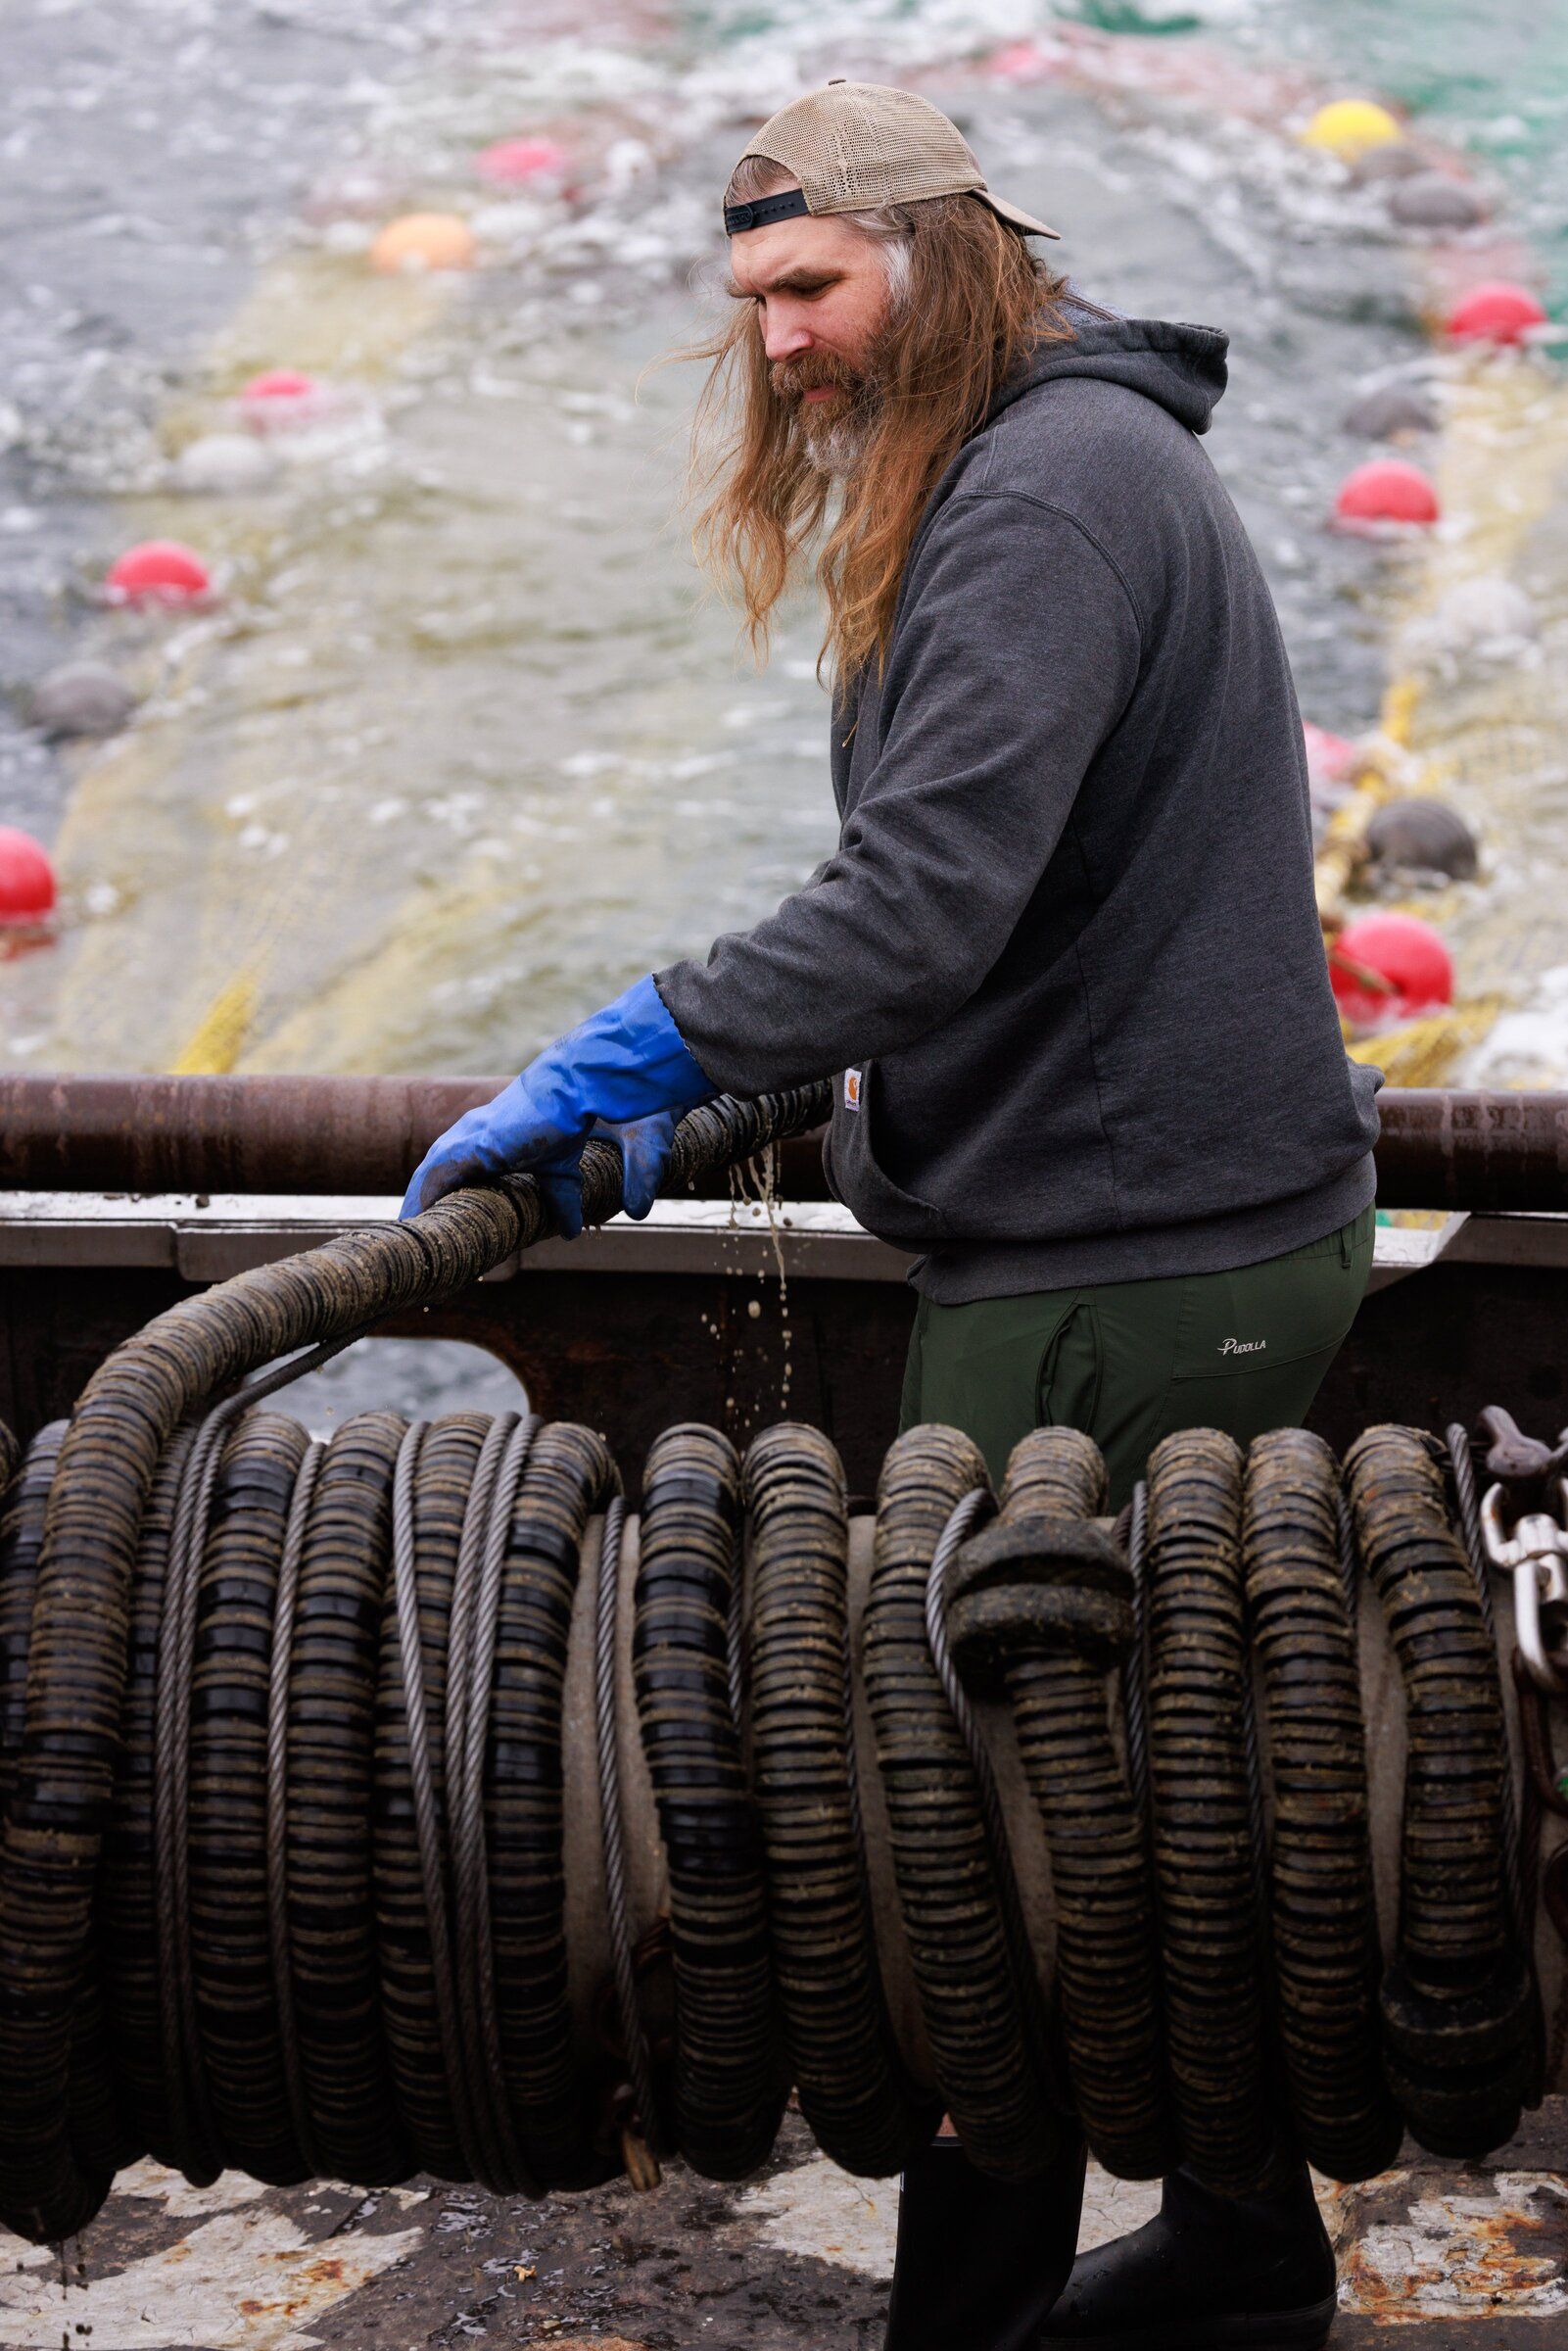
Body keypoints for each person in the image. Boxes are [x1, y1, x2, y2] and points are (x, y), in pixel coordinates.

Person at [402, 78, 1376, 2351]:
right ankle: (1243, 2251)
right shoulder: (1071, 447)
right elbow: (1004, 910)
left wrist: (632, 1051)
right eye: (749, 302)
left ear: (945, 258)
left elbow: (927, 905)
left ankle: (990, 2327)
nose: (781, 345)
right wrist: (733, 1092)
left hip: (1127, 1265)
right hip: (1184, 1214)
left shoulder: (1044, 500)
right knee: (1130, 1778)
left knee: (972, 1850)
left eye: (814, 286)